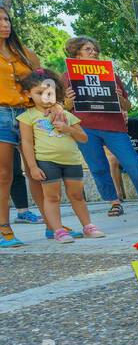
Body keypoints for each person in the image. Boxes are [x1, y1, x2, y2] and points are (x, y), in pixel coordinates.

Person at [61, 36, 138, 217]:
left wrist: (119, 97)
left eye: (95, 50)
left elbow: (128, 106)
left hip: (113, 126)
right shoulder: (67, 77)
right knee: (98, 167)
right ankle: (114, 202)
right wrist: (68, 101)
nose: (94, 53)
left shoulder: (110, 74)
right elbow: (63, 108)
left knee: (132, 163)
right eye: (88, 49)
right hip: (85, 128)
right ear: (76, 53)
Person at [18, 71, 106, 242]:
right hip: (46, 161)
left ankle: (88, 226)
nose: (45, 97)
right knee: (52, 197)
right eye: (39, 93)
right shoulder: (27, 117)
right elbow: (27, 143)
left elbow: (83, 137)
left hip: (71, 160)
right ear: (28, 94)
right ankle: (58, 230)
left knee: (77, 195)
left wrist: (68, 129)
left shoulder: (65, 114)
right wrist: (33, 167)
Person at [0, 5, 42, 247]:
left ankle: (52, 225)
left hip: (28, 114)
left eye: (6, 19)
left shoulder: (23, 52)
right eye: (0, 20)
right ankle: (4, 228)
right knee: (4, 175)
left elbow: (40, 78)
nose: (5, 23)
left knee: (37, 170)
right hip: (2, 114)